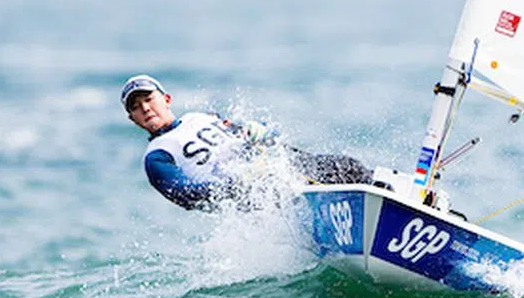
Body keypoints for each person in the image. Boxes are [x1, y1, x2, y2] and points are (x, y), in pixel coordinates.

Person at [121, 74, 372, 211]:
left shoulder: (199, 117)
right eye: (135, 106)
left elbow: (255, 134)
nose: (144, 107)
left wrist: (260, 130)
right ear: (132, 119)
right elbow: (186, 194)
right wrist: (235, 184)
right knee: (292, 187)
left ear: (166, 99)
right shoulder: (156, 157)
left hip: (274, 163)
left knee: (348, 167)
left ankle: (388, 202)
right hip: (251, 192)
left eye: (148, 99)